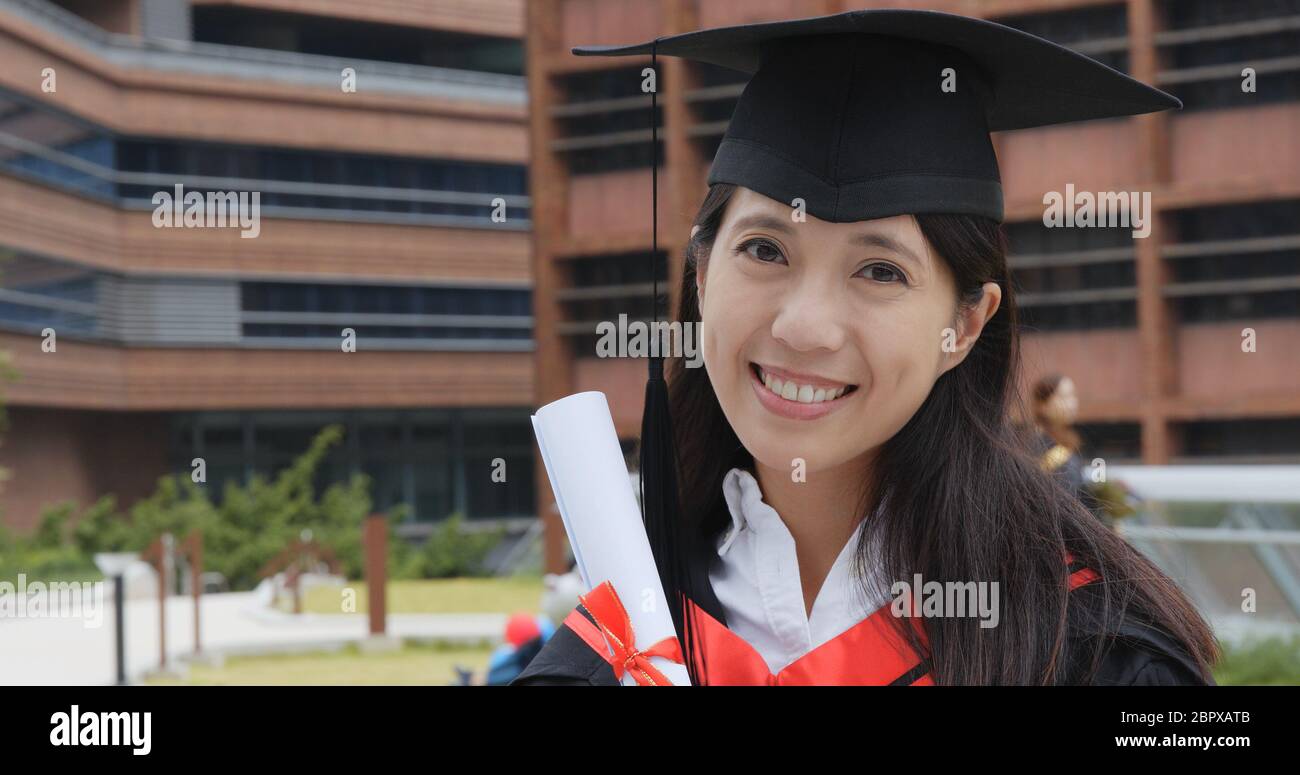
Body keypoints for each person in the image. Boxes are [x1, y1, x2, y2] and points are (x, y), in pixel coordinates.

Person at [514, 9, 1218, 685]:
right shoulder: (623, 641)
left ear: (967, 324)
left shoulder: (1089, 646)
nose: (803, 326)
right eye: (764, 249)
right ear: (702, 277)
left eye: (880, 270)